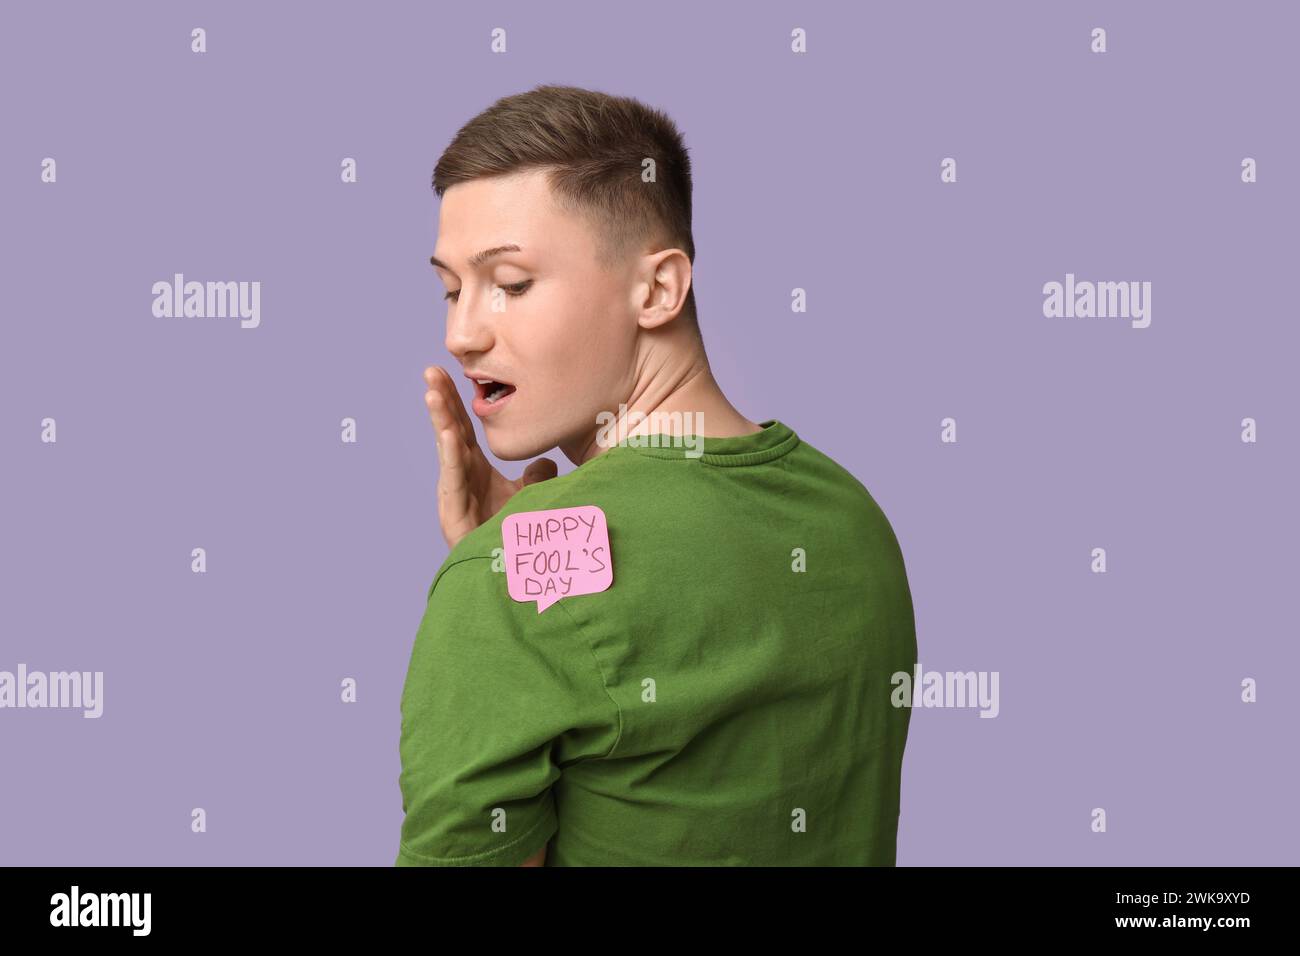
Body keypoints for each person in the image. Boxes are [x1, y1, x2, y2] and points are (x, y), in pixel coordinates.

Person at [396, 84, 917, 866]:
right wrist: (509, 568)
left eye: (510, 283)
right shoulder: (852, 517)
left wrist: (492, 589)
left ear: (658, 289)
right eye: (450, 288)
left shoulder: (505, 584)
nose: (462, 332)